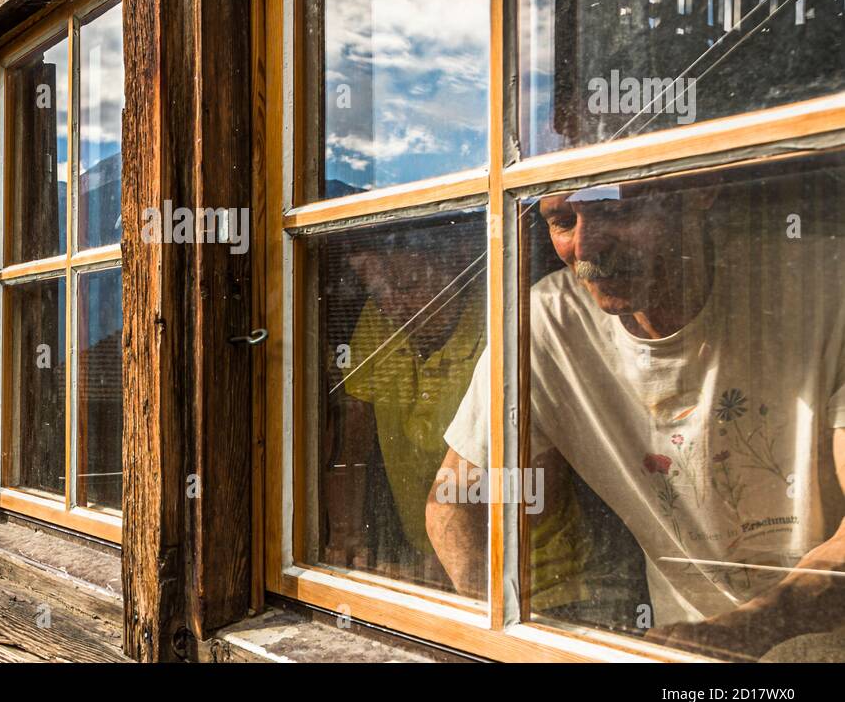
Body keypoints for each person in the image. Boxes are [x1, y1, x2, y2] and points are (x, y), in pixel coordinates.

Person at [426, 177, 845, 659]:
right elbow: (455, 502)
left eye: (615, 211)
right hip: (679, 651)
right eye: (563, 221)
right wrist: (503, 641)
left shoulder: (824, 286)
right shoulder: (544, 323)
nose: (585, 246)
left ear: (697, 190)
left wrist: (749, 629)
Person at [337, 217, 591, 606]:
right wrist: (345, 537)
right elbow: (352, 449)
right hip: (430, 563)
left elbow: (541, 477)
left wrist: (455, 557)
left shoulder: (503, 321)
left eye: (408, 286)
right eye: (378, 289)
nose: (393, 305)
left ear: (456, 264)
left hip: (534, 575)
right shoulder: (381, 320)